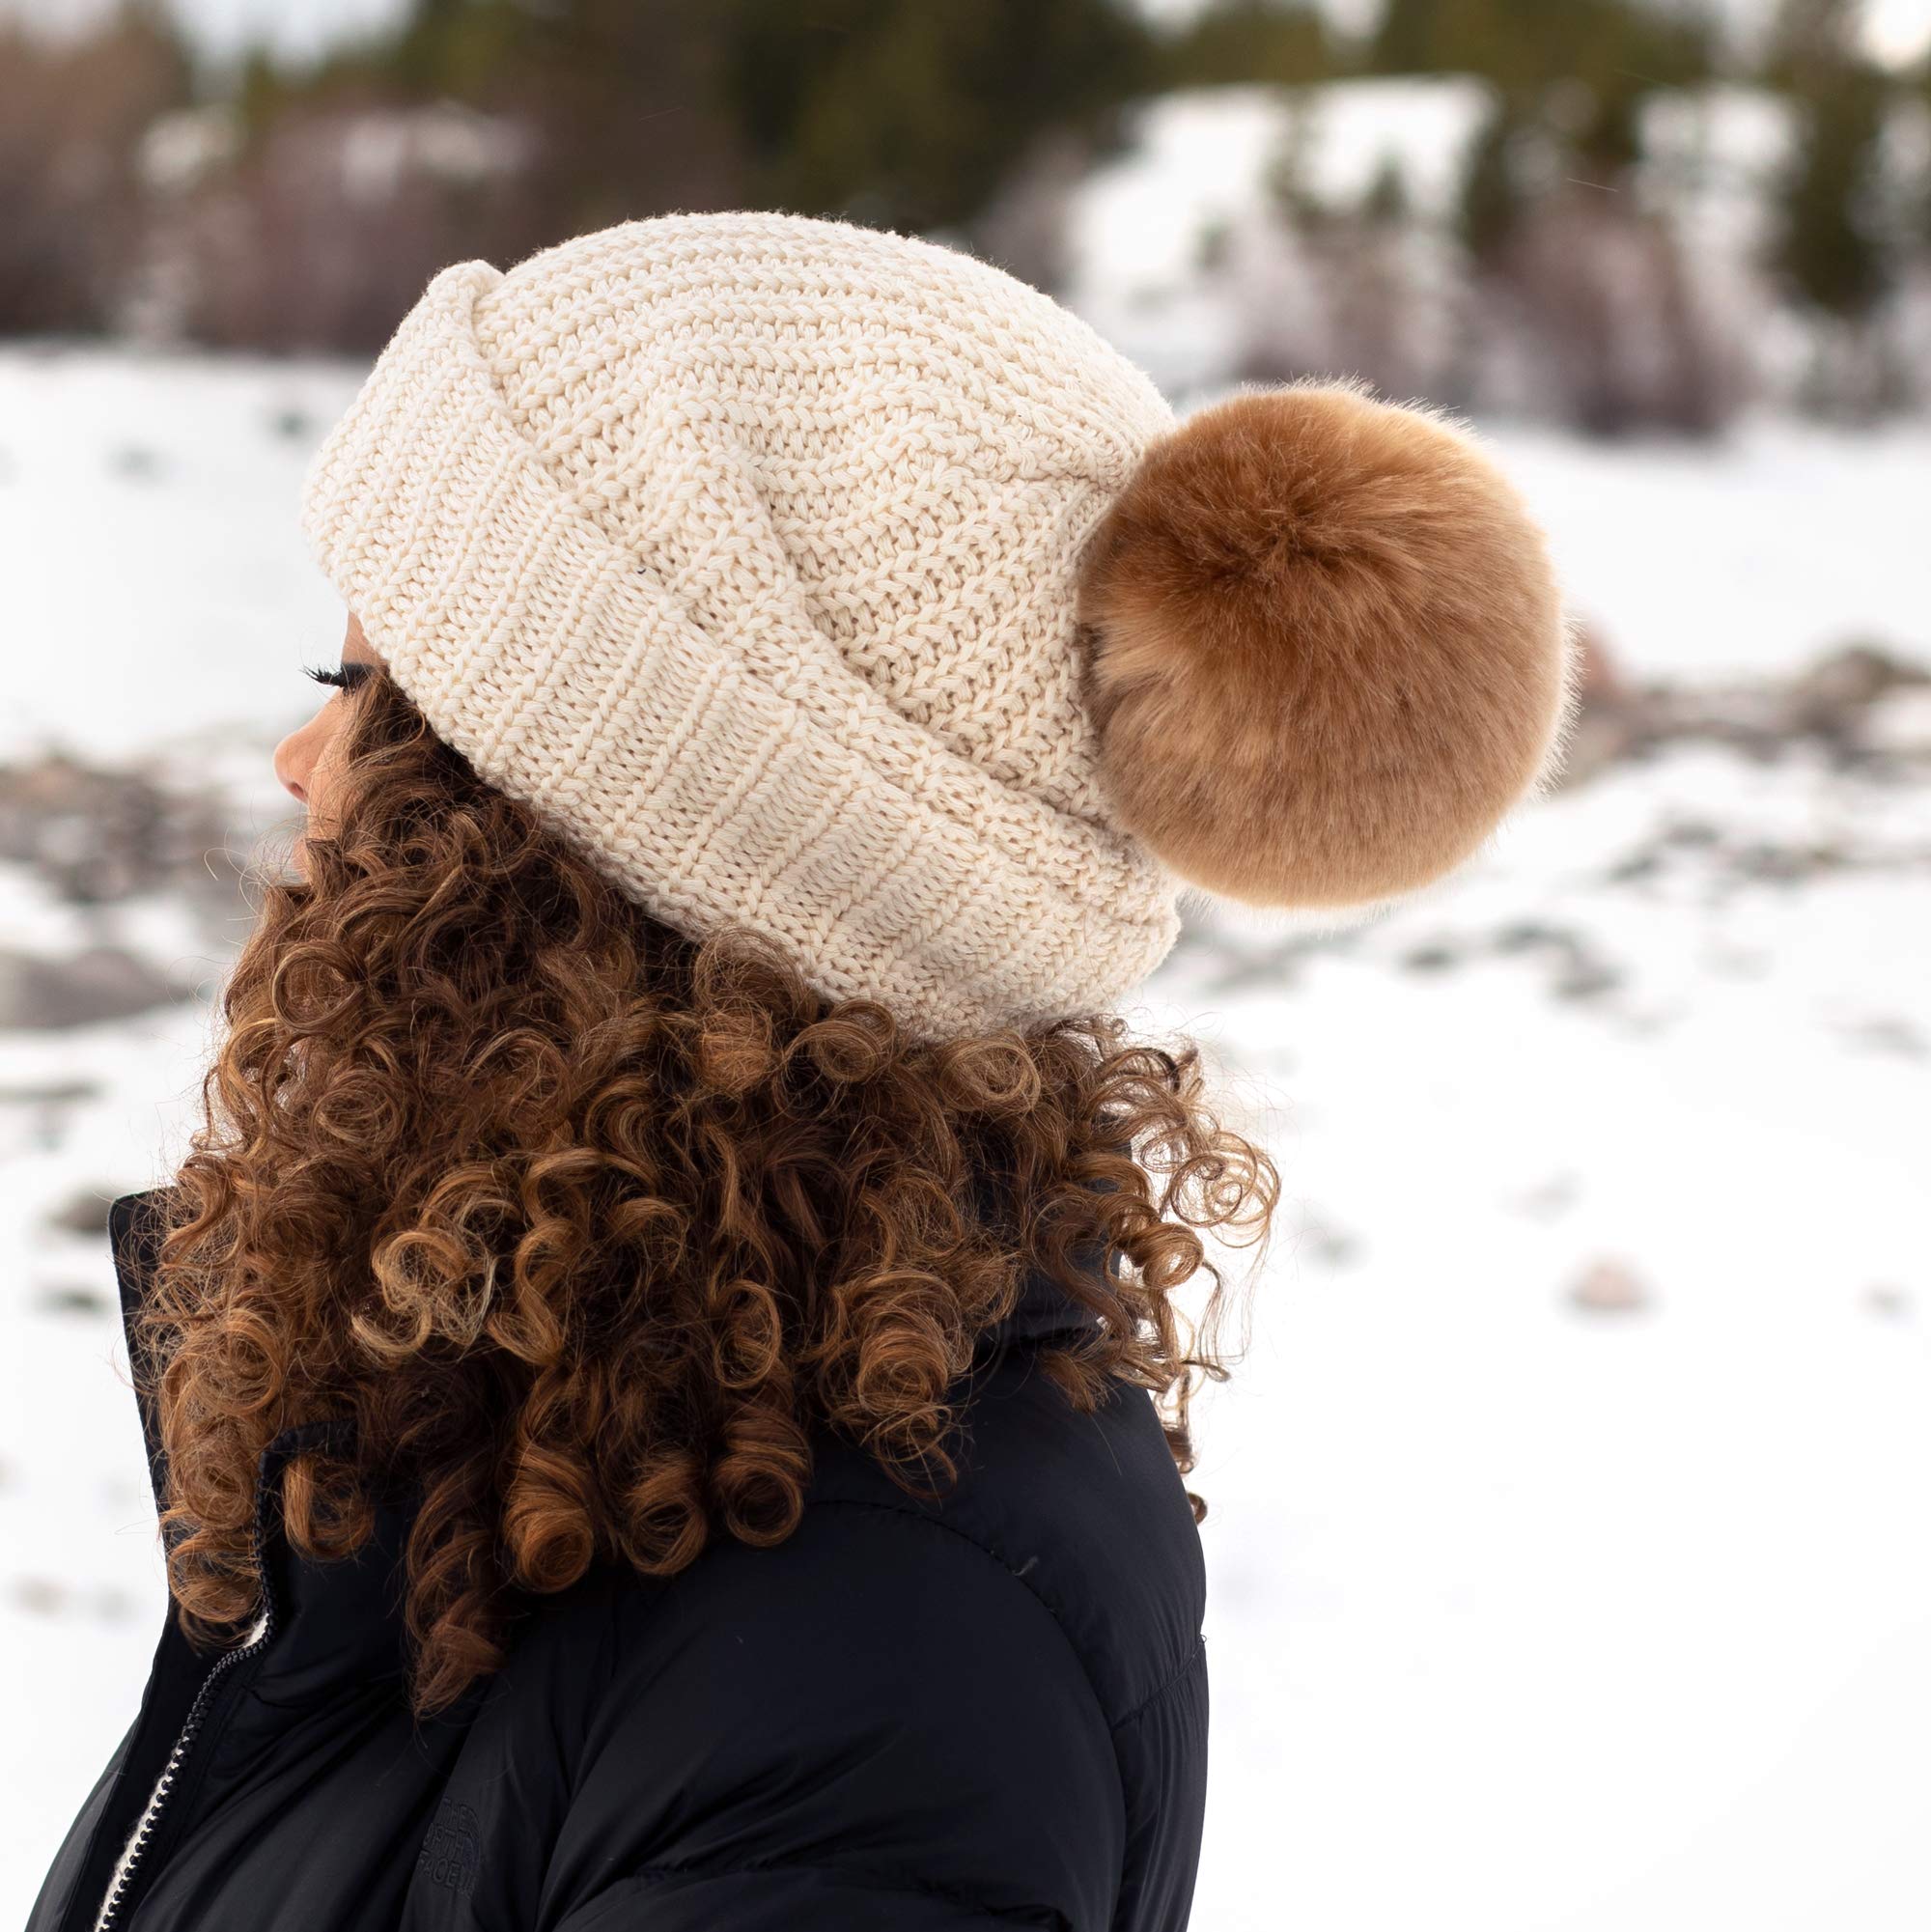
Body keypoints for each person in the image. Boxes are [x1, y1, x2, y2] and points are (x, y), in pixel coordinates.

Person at [31, 211, 1574, 1932]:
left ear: (573, 869)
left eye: (365, 686)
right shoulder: (529, 1417)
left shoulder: (885, 1671)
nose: (300, 759)